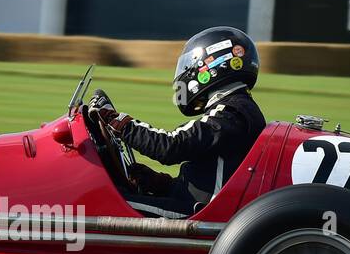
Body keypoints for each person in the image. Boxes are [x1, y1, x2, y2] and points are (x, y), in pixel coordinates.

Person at [90, 26, 266, 217]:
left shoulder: (232, 113)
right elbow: (208, 176)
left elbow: (170, 147)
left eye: (190, 63)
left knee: (101, 202)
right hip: (198, 207)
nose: (187, 72)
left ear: (215, 64)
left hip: (201, 215)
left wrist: (119, 123)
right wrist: (162, 184)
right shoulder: (236, 110)